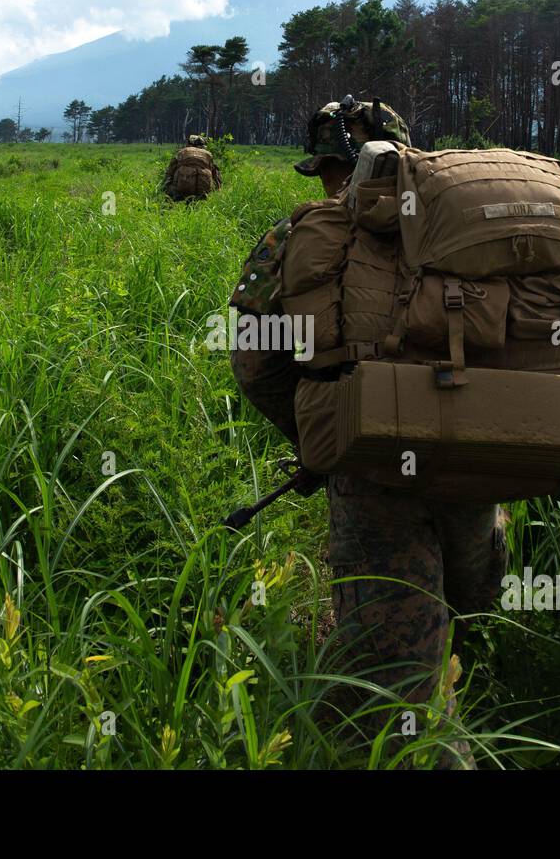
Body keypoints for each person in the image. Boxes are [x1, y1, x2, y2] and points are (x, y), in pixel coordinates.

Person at [228, 96, 508, 768]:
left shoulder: (300, 235)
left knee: (391, 678)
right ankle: (450, 683)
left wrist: (321, 433)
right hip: (477, 457)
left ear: (330, 166)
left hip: (374, 468)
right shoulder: (469, 224)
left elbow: (254, 357)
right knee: (461, 605)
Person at [162, 134, 221, 201]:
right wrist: (218, 189)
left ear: (189, 143)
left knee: (171, 191)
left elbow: (170, 171)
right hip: (203, 191)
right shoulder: (208, 155)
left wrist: (164, 186)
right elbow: (216, 175)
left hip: (182, 189)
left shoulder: (182, 152)